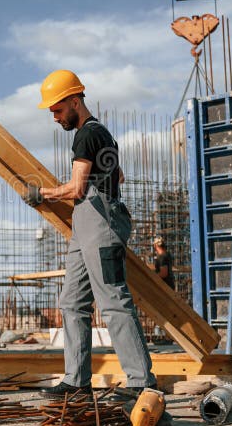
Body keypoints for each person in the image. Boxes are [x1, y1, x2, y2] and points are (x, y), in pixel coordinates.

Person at [21, 69, 157, 398]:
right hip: (88, 224)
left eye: (56, 109)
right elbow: (119, 176)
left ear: (74, 100)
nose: (54, 117)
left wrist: (41, 194)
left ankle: (141, 385)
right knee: (71, 303)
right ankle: (77, 382)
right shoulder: (102, 136)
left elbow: (77, 187)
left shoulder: (86, 134)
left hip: (101, 223)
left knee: (113, 302)